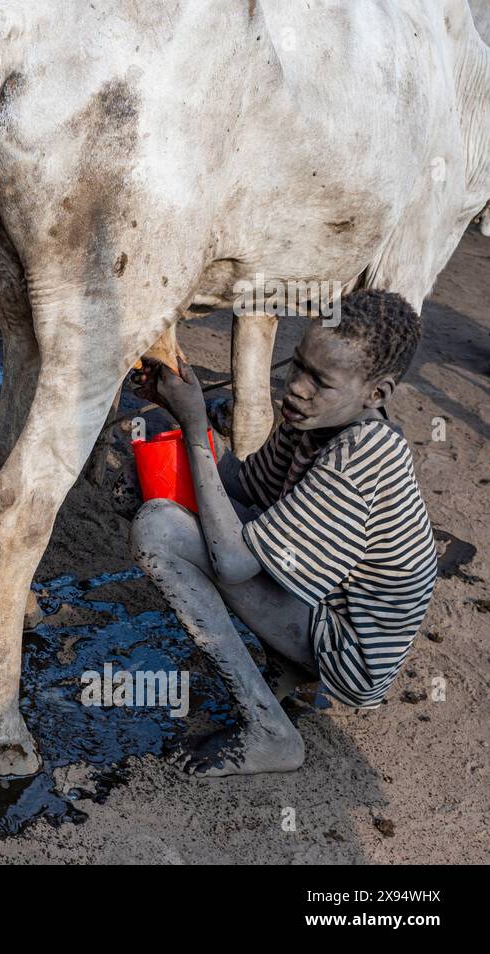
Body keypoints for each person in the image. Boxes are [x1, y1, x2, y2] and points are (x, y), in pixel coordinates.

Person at [130, 289, 437, 777]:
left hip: (351, 649)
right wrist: (183, 409)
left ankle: (271, 734)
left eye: (320, 381)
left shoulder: (363, 455)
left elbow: (233, 562)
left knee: (159, 529)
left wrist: (192, 428)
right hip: (322, 606)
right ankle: (286, 669)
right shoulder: (315, 420)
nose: (296, 388)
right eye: (297, 367)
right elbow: (243, 486)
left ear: (376, 394)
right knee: (190, 504)